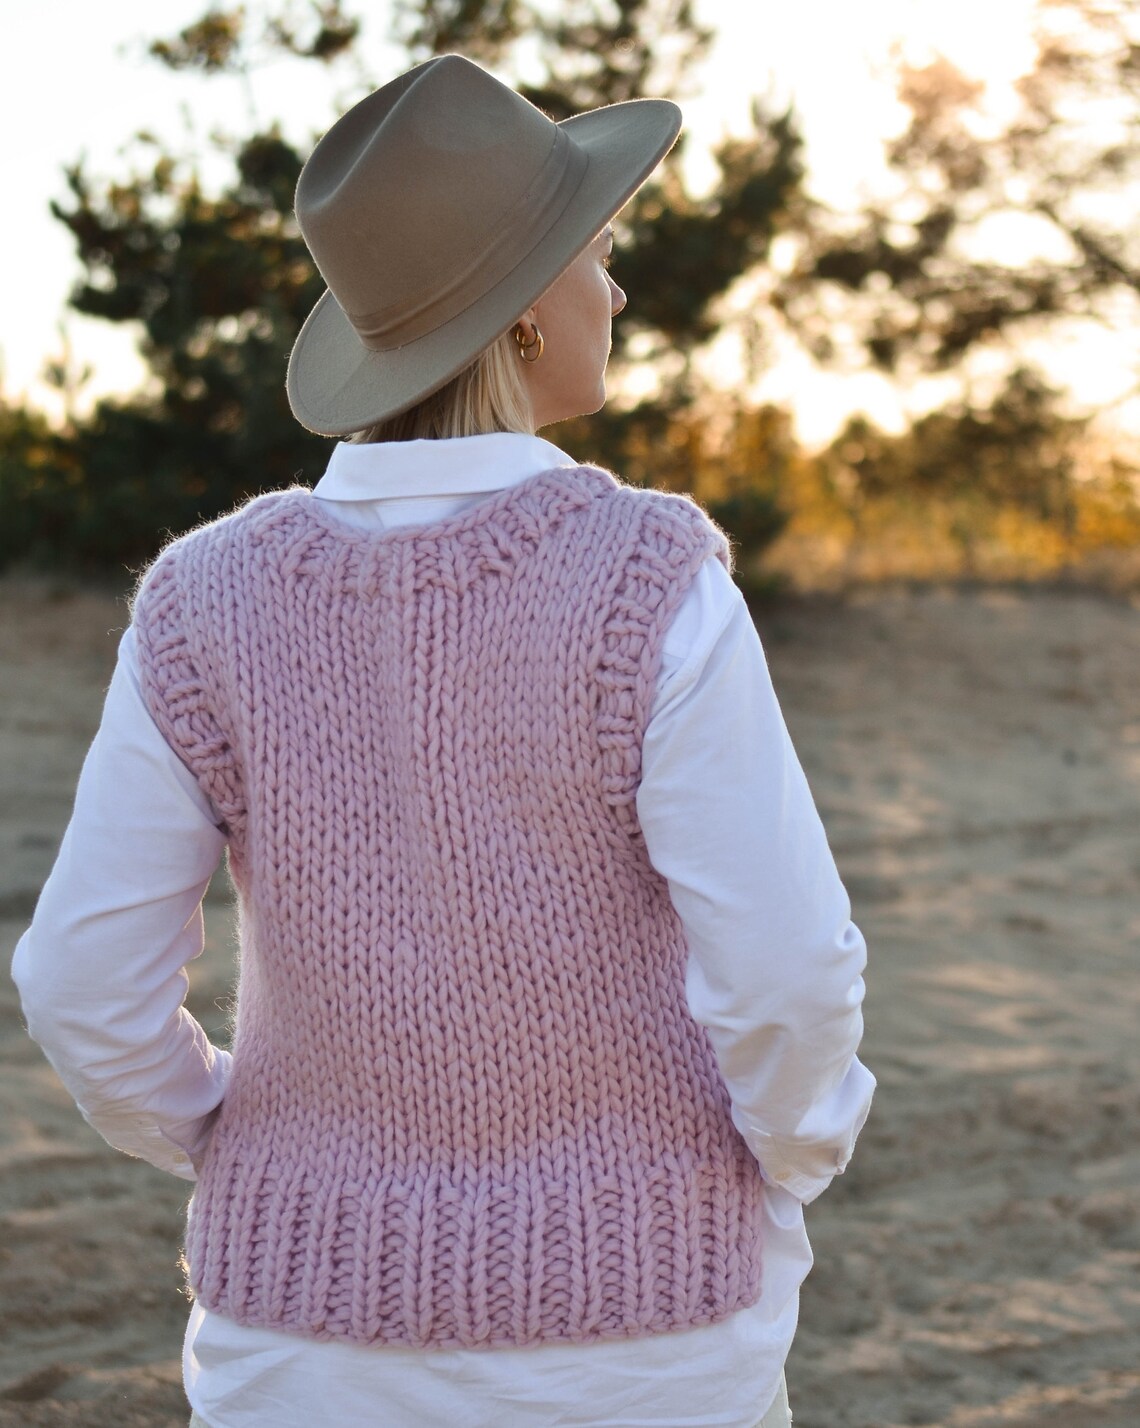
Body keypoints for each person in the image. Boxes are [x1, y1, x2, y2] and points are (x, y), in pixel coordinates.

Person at [12, 54, 874, 1428]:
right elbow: (787, 974)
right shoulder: (648, 576)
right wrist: (790, 1153)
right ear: (527, 313)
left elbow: (76, 984)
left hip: (299, 1358)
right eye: (600, 254)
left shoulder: (203, 599)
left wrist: (244, 1141)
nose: (619, 288)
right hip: (641, 1339)